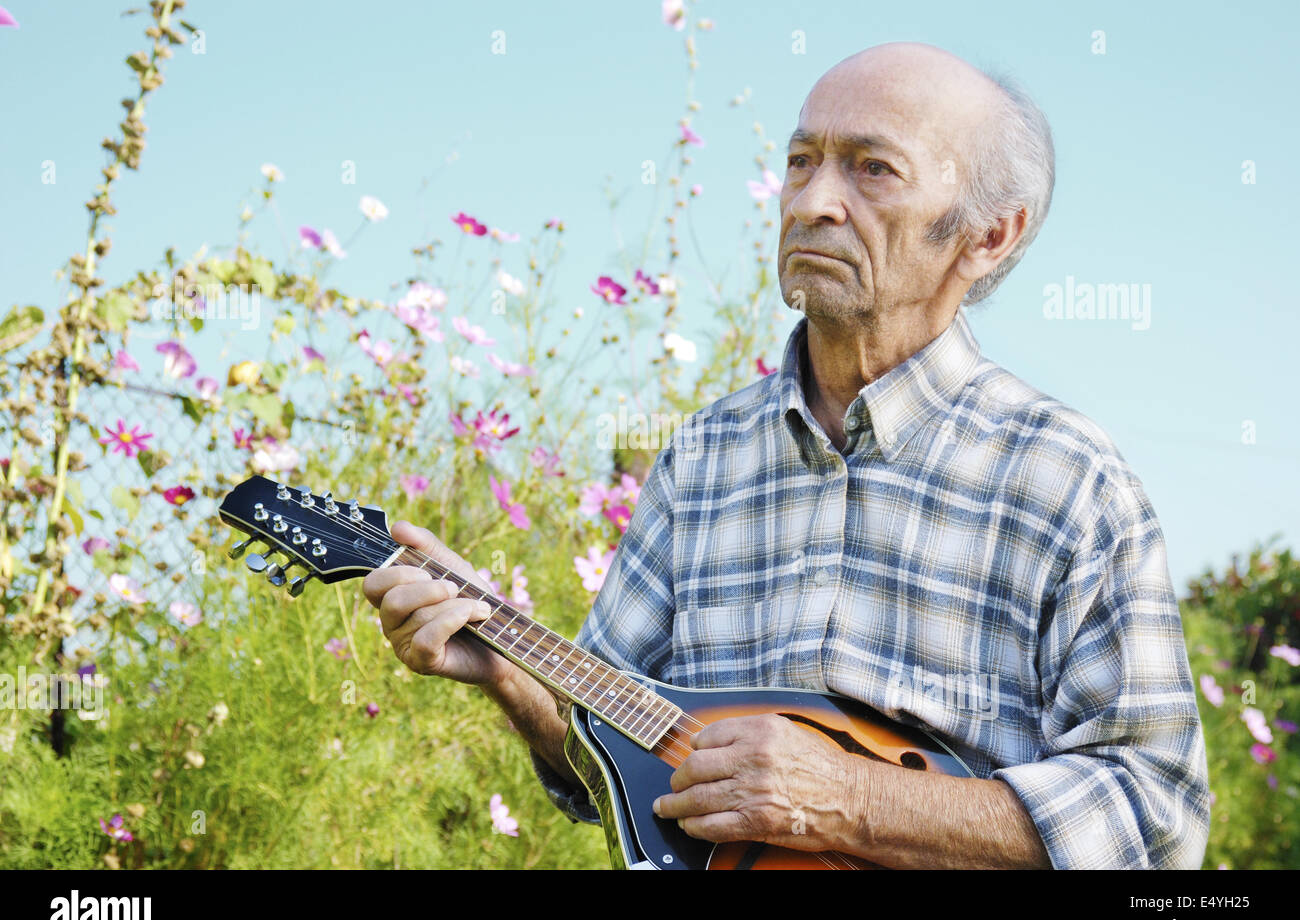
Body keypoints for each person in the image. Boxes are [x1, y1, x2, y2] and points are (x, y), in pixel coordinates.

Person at [363, 42, 1210, 869]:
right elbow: (611, 771)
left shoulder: (1066, 478)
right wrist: (509, 675)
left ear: (989, 235)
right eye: (802, 162)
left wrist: (852, 800)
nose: (812, 201)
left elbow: (1157, 814)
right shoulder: (700, 461)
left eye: (872, 169)